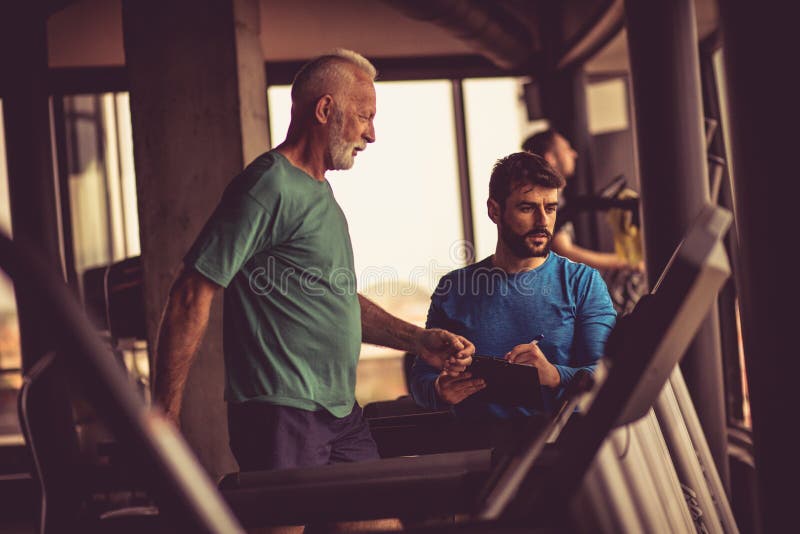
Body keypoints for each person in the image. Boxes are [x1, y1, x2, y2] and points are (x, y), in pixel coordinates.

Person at [153, 49, 474, 475]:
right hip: (283, 413)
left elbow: (337, 299)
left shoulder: (319, 192)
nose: (372, 134)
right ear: (326, 109)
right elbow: (191, 293)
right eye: (364, 116)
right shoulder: (267, 186)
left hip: (339, 413)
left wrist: (418, 341)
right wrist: (165, 417)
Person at [410, 152, 616, 419]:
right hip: (475, 449)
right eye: (527, 208)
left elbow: (607, 375)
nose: (543, 221)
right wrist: (438, 389)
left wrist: (554, 375)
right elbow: (420, 378)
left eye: (550, 208)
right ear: (494, 211)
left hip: (557, 447)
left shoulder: (583, 282)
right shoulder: (454, 288)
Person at [522, 129, 642, 273]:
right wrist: (628, 263)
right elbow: (566, 251)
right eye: (566, 149)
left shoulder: (557, 198)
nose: (574, 154)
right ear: (551, 158)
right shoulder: (546, 200)